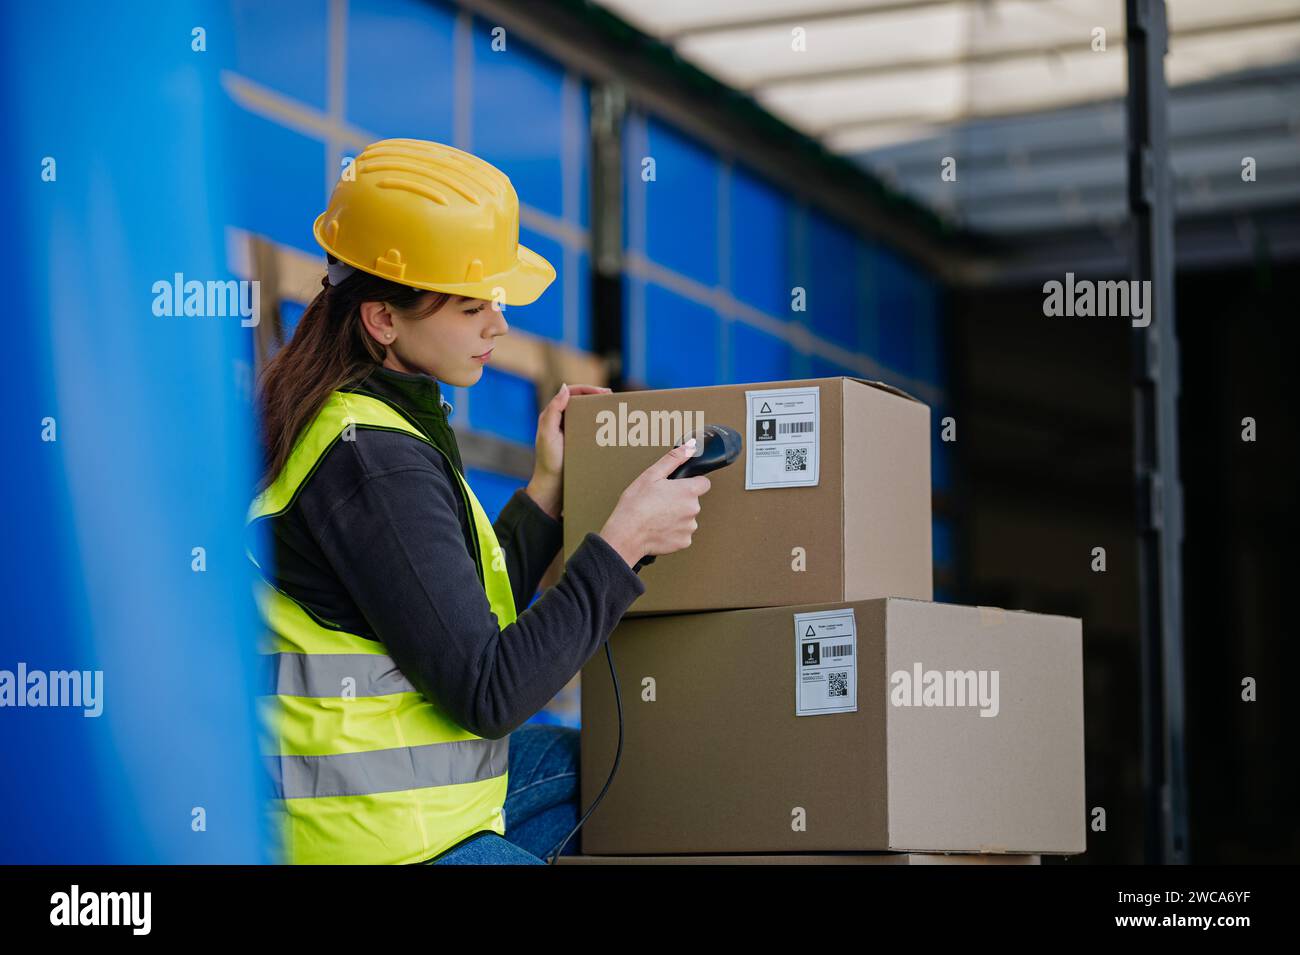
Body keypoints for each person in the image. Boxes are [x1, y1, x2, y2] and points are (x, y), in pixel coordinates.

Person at [246, 138, 711, 865]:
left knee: (595, 765)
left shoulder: (370, 421)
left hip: (406, 805)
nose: (498, 324)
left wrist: (547, 490)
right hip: (376, 844)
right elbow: (491, 691)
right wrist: (622, 546)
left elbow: (451, 619)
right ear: (382, 319)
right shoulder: (372, 461)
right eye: (471, 307)